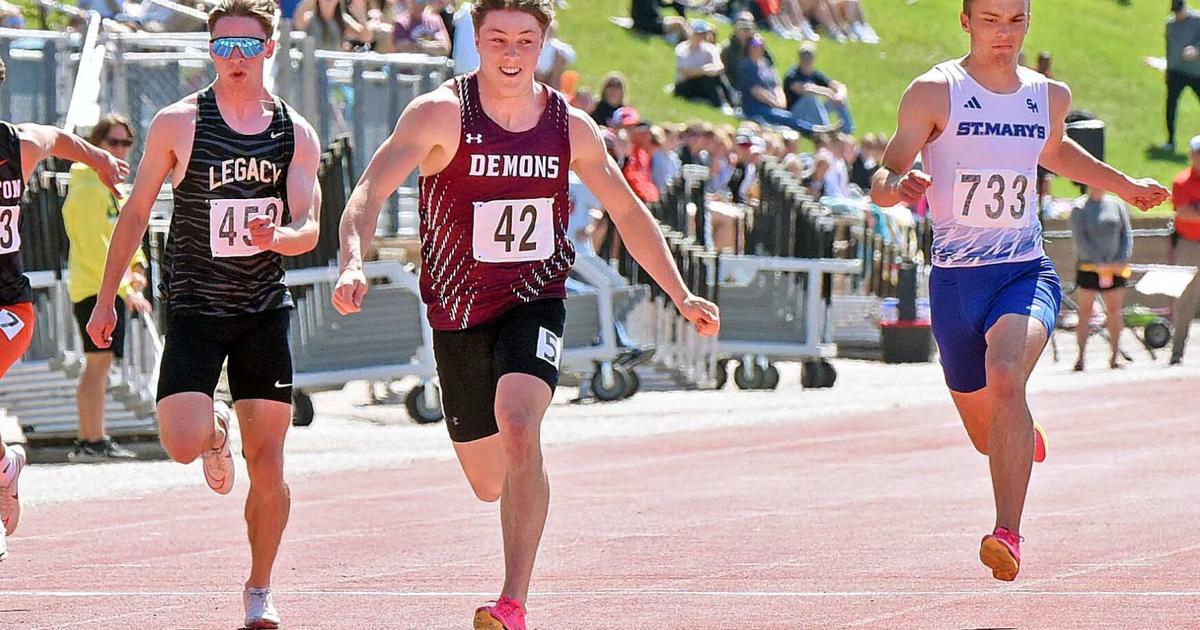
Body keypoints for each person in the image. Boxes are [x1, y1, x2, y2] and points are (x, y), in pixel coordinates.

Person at [332, 2, 720, 628]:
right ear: (476, 43)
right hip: (458, 310)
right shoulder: (440, 113)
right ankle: (510, 516)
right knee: (489, 479)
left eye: (524, 41)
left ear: (543, 45)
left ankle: (513, 601)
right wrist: (353, 258)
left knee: (519, 425)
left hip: (534, 296)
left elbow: (625, 210)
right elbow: (368, 191)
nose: (510, 54)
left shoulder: (569, 126)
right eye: (497, 40)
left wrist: (679, 292)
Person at [870, 0, 1169, 583]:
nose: (1003, 33)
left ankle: (1006, 532)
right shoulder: (935, 91)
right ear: (965, 21)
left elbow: (1053, 151)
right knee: (988, 437)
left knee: (1007, 374)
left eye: (1014, 20)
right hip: (955, 283)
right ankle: (1018, 431)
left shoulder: (1047, 96)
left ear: (1028, 21)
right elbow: (886, 173)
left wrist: (1125, 185)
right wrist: (897, 187)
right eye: (989, 20)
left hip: (1022, 271)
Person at [86, 0, 322, 626]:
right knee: (182, 442)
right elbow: (136, 212)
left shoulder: (293, 132)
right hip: (193, 305)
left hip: (262, 308)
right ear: (210, 50)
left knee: (268, 462)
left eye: (248, 48)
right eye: (223, 47)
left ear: (268, 50)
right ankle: (215, 431)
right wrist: (107, 297)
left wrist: (279, 237)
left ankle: (259, 588)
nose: (235, 59)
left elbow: (309, 226)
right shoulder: (179, 123)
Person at [0, 56, 130, 558]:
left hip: (8, 308)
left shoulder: (17, 144)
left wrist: (100, 161)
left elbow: (58, 139)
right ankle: (5, 467)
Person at [63, 114, 153, 463]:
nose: (120, 150)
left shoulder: (110, 188)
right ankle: (90, 439)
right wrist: (122, 286)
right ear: (96, 145)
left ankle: (94, 437)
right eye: (112, 142)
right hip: (93, 288)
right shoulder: (87, 186)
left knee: (101, 364)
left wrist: (137, 269)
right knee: (96, 363)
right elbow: (94, 244)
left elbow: (124, 234)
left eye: (126, 143)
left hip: (111, 289)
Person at [1069, 184, 1132, 371]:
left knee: (1114, 311)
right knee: (1085, 312)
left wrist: (1121, 259)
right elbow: (1080, 239)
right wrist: (1097, 261)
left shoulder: (1117, 204)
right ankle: (1080, 357)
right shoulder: (1080, 208)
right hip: (1089, 266)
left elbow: (1126, 234)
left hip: (1114, 267)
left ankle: (1115, 355)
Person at [736, 34, 814, 133]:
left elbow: (776, 85)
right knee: (786, 117)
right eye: (754, 44)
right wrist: (773, 102)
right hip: (756, 108)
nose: (757, 46)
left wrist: (781, 101)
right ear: (748, 46)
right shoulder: (747, 66)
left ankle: (818, 127)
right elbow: (756, 90)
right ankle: (813, 131)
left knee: (807, 103)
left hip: (773, 106)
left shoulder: (766, 64)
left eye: (760, 44)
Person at [1168, 134, 1200, 364]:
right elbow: (1184, 213)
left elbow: (1193, 212)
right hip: (1189, 244)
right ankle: (1177, 351)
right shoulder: (1182, 181)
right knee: (1185, 299)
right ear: (1191, 155)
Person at [784, 42, 854, 133]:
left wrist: (839, 94)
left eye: (809, 56)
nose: (806, 59)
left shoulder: (814, 74)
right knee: (810, 98)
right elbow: (804, 89)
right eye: (804, 55)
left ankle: (847, 131)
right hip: (795, 115)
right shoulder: (792, 75)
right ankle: (826, 130)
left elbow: (838, 86)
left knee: (840, 99)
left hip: (812, 113)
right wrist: (827, 92)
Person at [674, 20, 734, 112]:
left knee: (718, 77)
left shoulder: (710, 48)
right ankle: (718, 105)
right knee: (706, 78)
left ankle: (732, 103)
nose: (700, 37)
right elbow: (685, 72)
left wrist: (712, 69)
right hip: (685, 85)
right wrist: (703, 70)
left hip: (703, 82)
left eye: (702, 34)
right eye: (697, 33)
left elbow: (719, 65)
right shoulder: (682, 49)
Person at [1165, 0, 1200, 152]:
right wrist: (1167, 69)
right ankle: (1170, 141)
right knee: (1171, 105)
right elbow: (1168, 47)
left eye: (1179, 12)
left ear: (1185, 8)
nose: (1177, 16)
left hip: (1196, 72)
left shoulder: (1198, 20)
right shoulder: (1170, 24)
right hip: (1176, 71)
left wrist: (1197, 50)